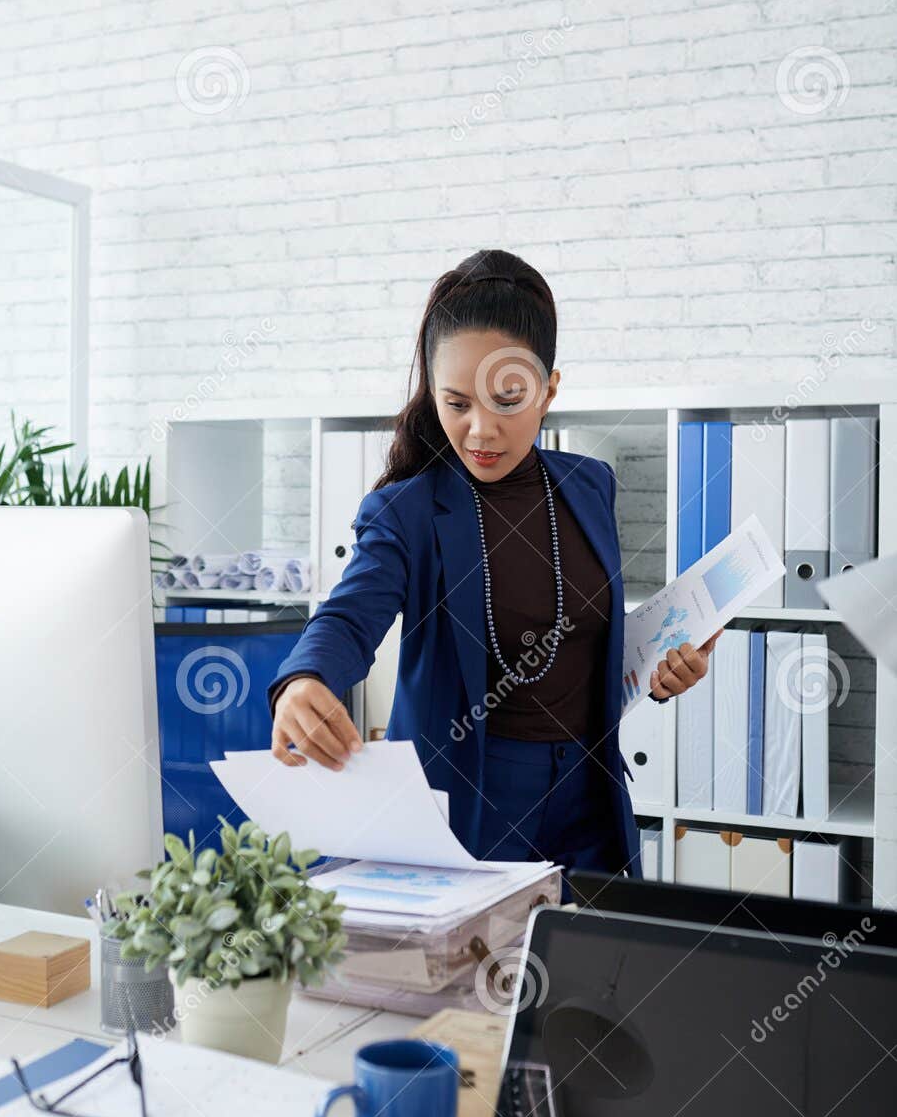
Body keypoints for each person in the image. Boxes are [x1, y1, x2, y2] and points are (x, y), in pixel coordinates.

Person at [267, 250, 719, 878]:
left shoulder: (590, 485)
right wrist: (304, 679)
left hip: (591, 799)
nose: (480, 430)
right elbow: (348, 615)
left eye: (507, 402)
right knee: (476, 946)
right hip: (468, 801)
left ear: (548, 390)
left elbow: (583, 641)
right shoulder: (407, 512)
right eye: (457, 404)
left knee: (595, 945)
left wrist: (663, 670)